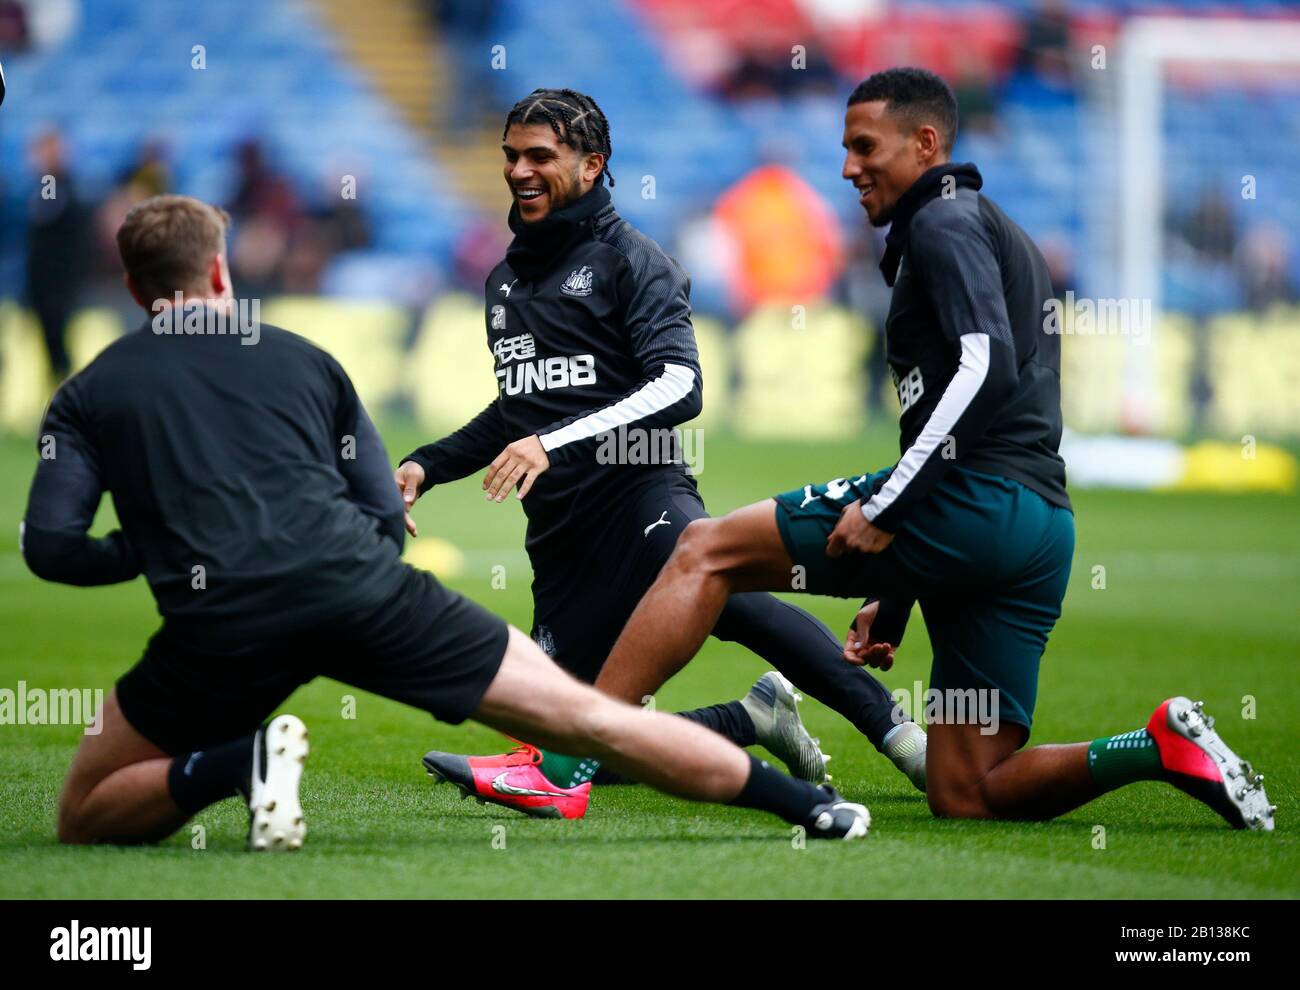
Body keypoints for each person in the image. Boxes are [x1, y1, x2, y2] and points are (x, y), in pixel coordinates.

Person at [21, 193, 872, 850]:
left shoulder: (89, 393)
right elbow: (384, 519)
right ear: (220, 274)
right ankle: (811, 807)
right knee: (592, 721)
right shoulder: (306, 361)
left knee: (85, 811)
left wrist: (153, 546)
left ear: (130, 287)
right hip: (369, 593)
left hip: (224, 620)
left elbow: (53, 549)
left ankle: (234, 764)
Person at [588, 68, 1275, 832]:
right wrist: (903, 589)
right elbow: (954, 413)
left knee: (704, 551)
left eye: (863, 146)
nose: (848, 167)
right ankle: (1152, 749)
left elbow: (985, 365)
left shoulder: (944, 222)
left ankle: (565, 754)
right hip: (1036, 532)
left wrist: (887, 507)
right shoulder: (976, 229)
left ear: (925, 143)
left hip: (973, 502)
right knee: (967, 790)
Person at [397, 88, 926, 820]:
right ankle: (751, 722)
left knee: (731, 596)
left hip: (640, 497)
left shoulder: (632, 260)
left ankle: (901, 739)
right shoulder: (505, 280)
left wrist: (552, 441)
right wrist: (425, 464)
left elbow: (680, 384)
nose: (520, 170)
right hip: (562, 539)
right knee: (572, 747)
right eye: (511, 155)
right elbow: (520, 411)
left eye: (540, 156)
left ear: (591, 166)